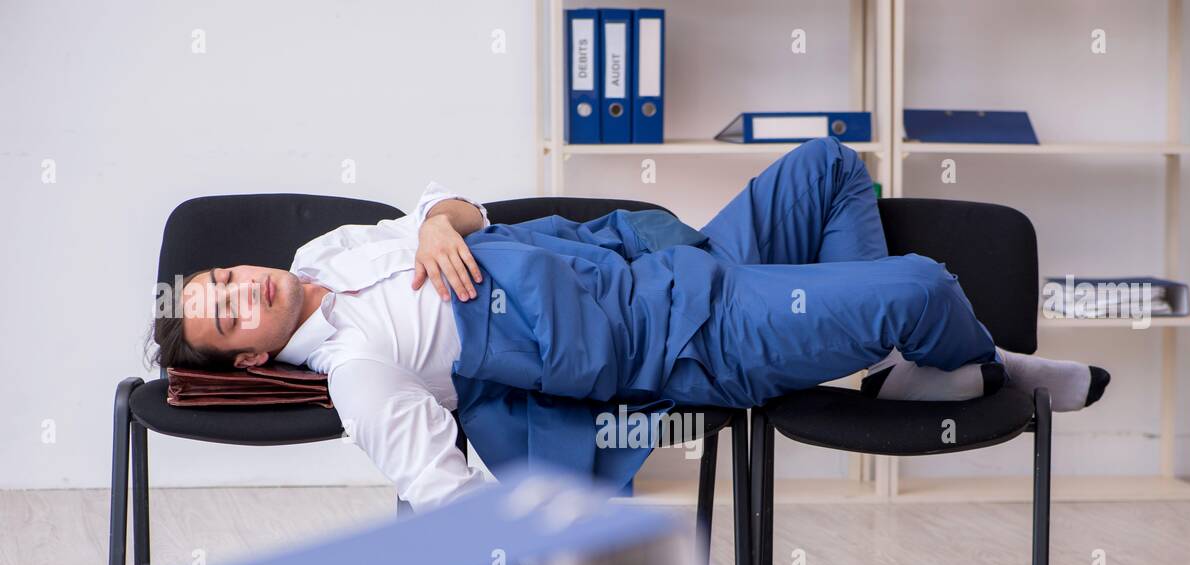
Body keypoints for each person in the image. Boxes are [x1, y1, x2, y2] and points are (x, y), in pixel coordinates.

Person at [153, 137, 1108, 510]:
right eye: (226, 312)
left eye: (228, 277)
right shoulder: (359, 367)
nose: (242, 289)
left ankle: (904, 356)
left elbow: (441, 201)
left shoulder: (324, 253)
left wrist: (444, 218)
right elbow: (439, 489)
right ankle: (971, 359)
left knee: (830, 164)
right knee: (916, 282)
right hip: (691, 338)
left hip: (668, 257)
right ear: (250, 351)